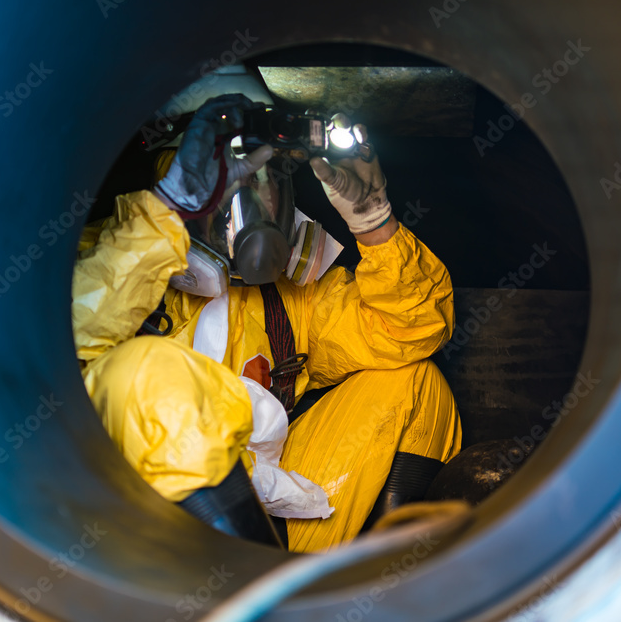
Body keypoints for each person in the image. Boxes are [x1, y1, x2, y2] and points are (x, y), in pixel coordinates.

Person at [72, 92, 461, 553]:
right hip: (144, 536)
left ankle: (375, 585)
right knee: (142, 370)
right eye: (226, 176)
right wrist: (165, 218)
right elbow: (67, 344)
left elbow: (409, 329)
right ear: (172, 171)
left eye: (266, 177)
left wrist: (374, 222)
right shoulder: (103, 258)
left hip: (273, 520)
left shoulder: (294, 293)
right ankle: (244, 593)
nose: (253, 200)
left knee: (416, 382)